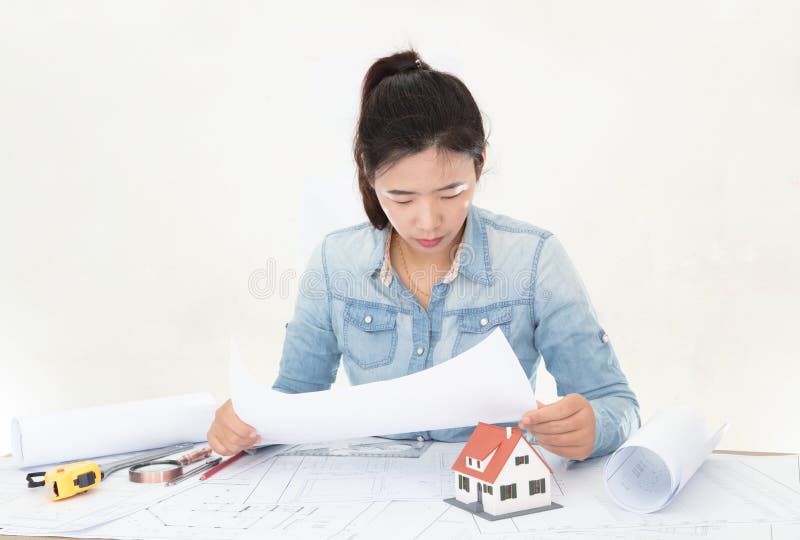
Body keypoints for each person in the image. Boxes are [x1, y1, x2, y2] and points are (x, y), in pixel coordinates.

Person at [207, 49, 640, 460]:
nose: (429, 221)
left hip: (490, 490)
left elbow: (615, 403)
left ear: (480, 163)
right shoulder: (334, 261)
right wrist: (248, 422)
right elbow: (293, 403)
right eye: (402, 198)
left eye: (451, 192)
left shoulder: (533, 259)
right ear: (367, 173)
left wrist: (594, 428)